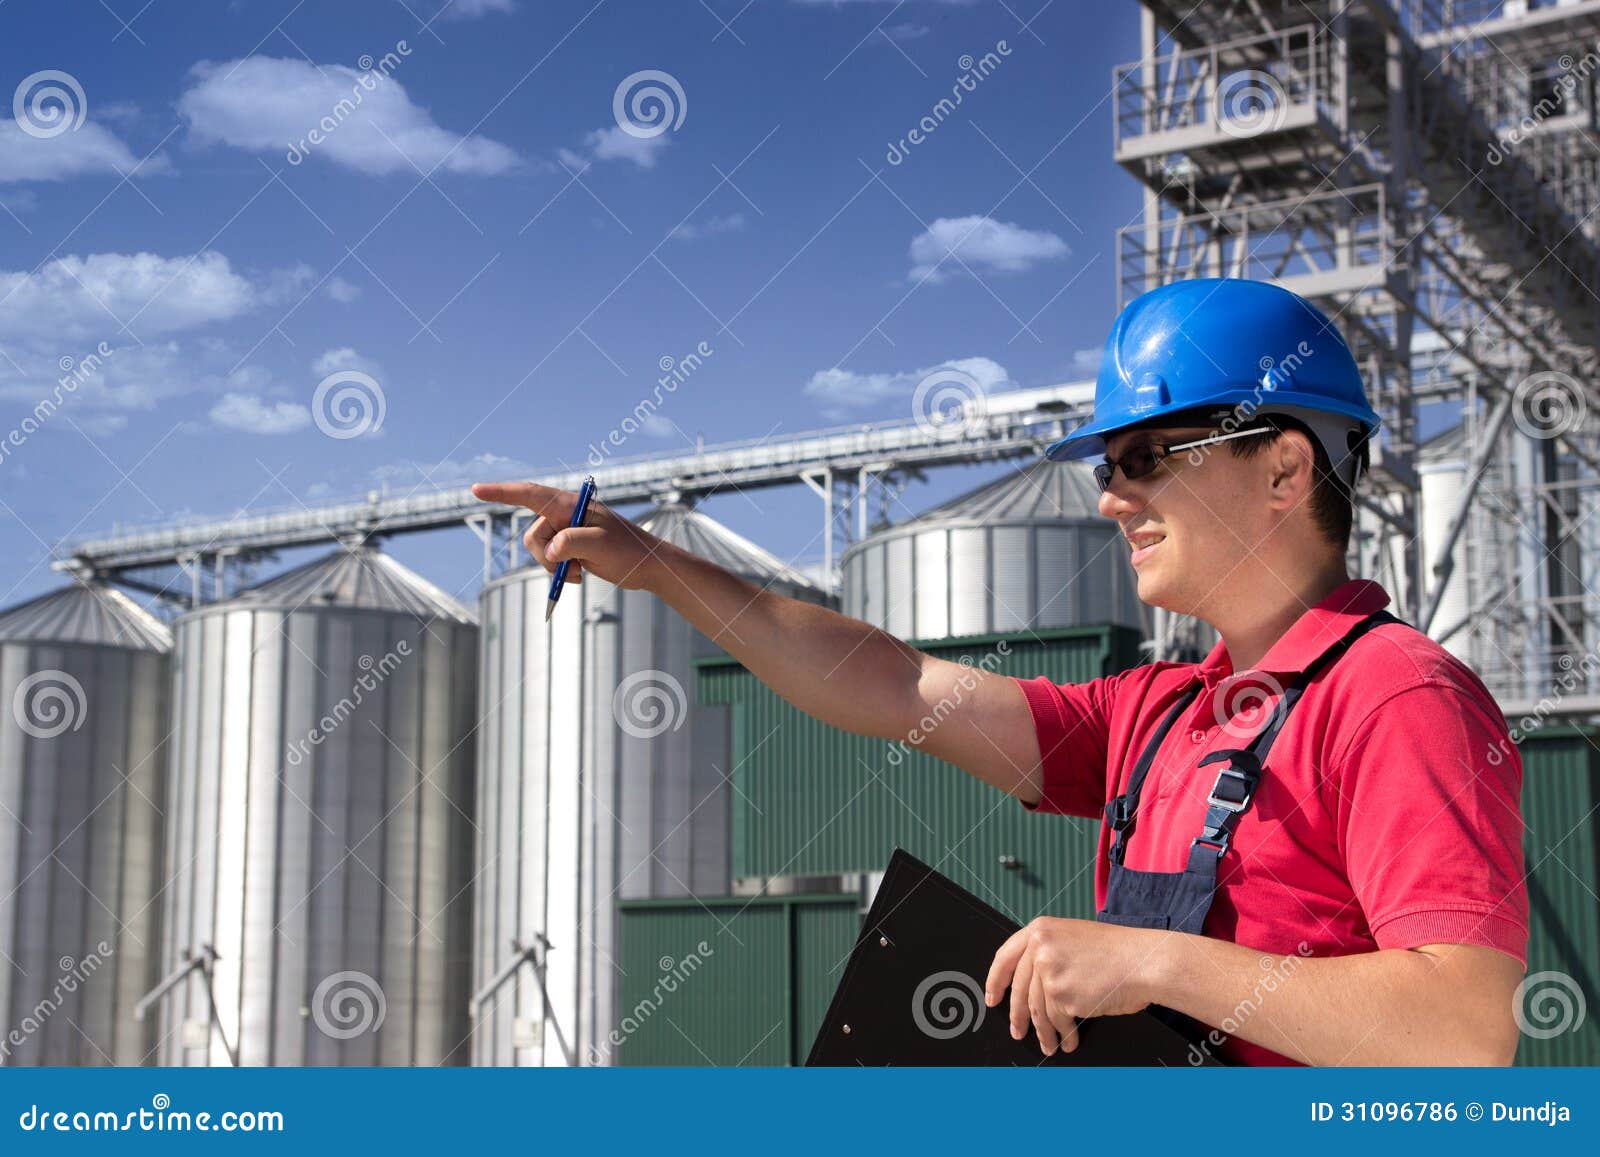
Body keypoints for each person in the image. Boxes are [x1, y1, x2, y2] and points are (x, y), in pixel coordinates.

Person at [473, 277, 1528, 1067]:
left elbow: (1461, 1028)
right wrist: (654, 563)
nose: (1112, 497)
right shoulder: (1157, 714)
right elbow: (890, 685)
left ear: (1284, 469)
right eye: (1105, 465)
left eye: (1147, 456)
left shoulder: (1392, 695)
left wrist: (1149, 961)